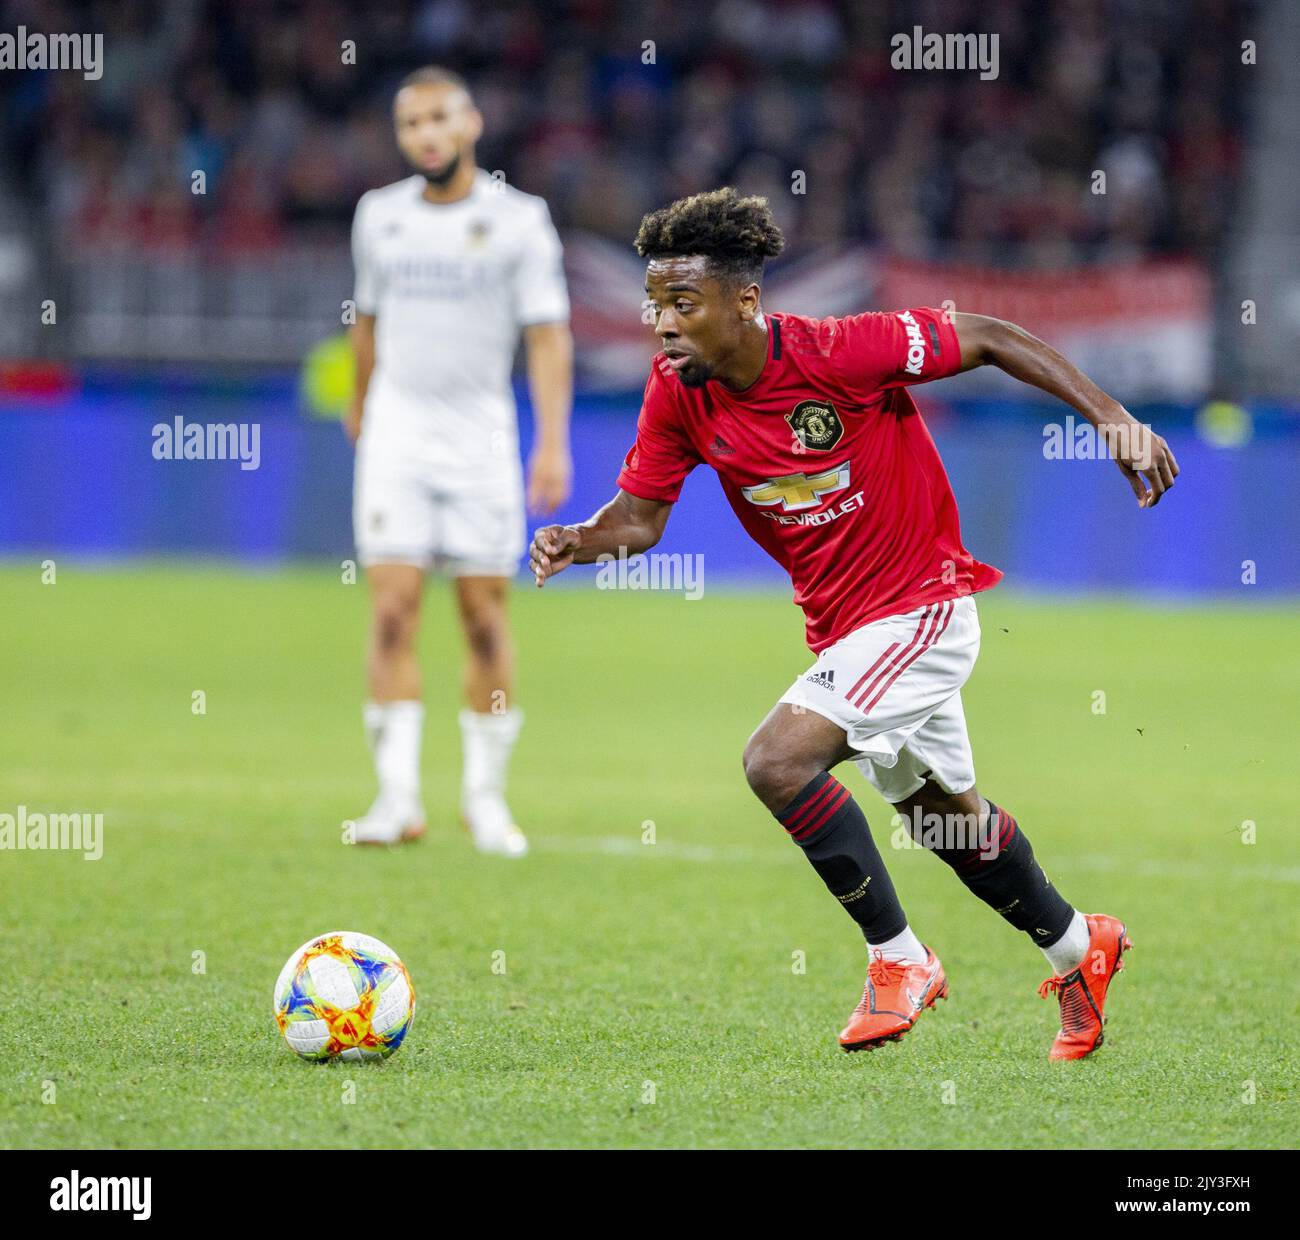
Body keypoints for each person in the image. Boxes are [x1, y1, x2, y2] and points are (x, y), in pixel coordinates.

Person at [529, 188, 1179, 1058]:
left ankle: (899, 960)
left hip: (922, 608)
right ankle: (1079, 947)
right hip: (847, 632)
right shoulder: (678, 394)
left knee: (776, 760)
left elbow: (989, 335)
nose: (663, 324)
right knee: (946, 821)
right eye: (655, 305)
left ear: (745, 301)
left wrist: (1114, 419)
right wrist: (582, 539)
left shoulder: (840, 351)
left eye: (683, 304)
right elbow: (641, 522)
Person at [347, 67, 573, 855]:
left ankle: (485, 798)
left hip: (480, 440)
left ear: (472, 122)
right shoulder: (379, 217)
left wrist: (551, 439)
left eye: (440, 117)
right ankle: (397, 799)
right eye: (411, 123)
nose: (427, 134)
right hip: (397, 436)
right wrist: (358, 404)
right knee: (390, 610)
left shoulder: (520, 221)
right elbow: (366, 321)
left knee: (483, 618)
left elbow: (547, 336)